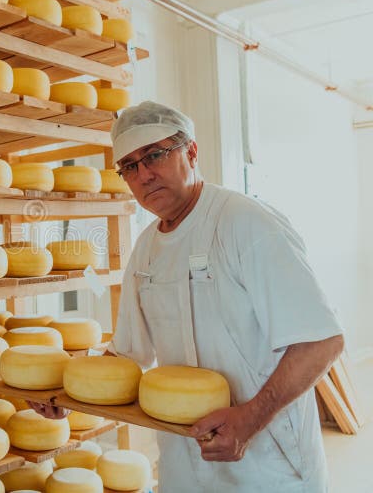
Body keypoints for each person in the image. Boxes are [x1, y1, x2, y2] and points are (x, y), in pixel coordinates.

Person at [34, 101, 345, 492]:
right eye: (129, 166)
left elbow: (322, 340)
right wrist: (65, 396)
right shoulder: (145, 249)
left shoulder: (246, 223)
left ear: (192, 152)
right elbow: (127, 356)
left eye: (155, 155)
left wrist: (250, 418)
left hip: (267, 465)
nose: (144, 175)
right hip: (185, 464)